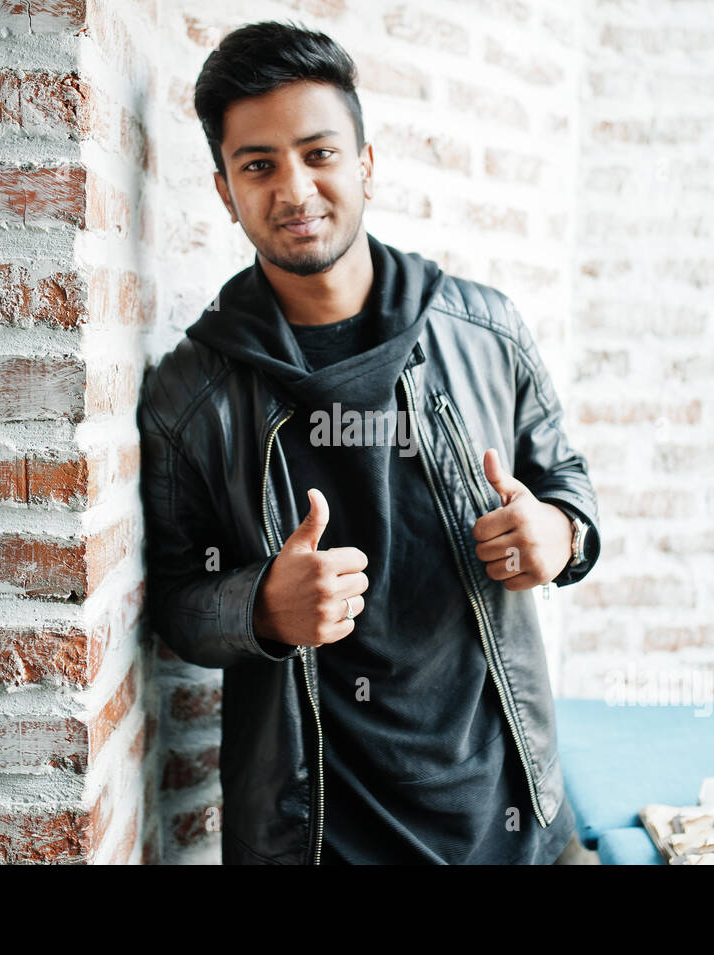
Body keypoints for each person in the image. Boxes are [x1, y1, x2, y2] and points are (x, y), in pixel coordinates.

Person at [139, 19, 601, 865]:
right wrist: (260, 608)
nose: (294, 189)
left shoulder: (484, 330)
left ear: (366, 165)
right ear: (223, 190)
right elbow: (173, 599)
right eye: (259, 165)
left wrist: (559, 534)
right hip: (312, 840)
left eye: (318, 154)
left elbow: (564, 481)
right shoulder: (189, 394)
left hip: (514, 821)